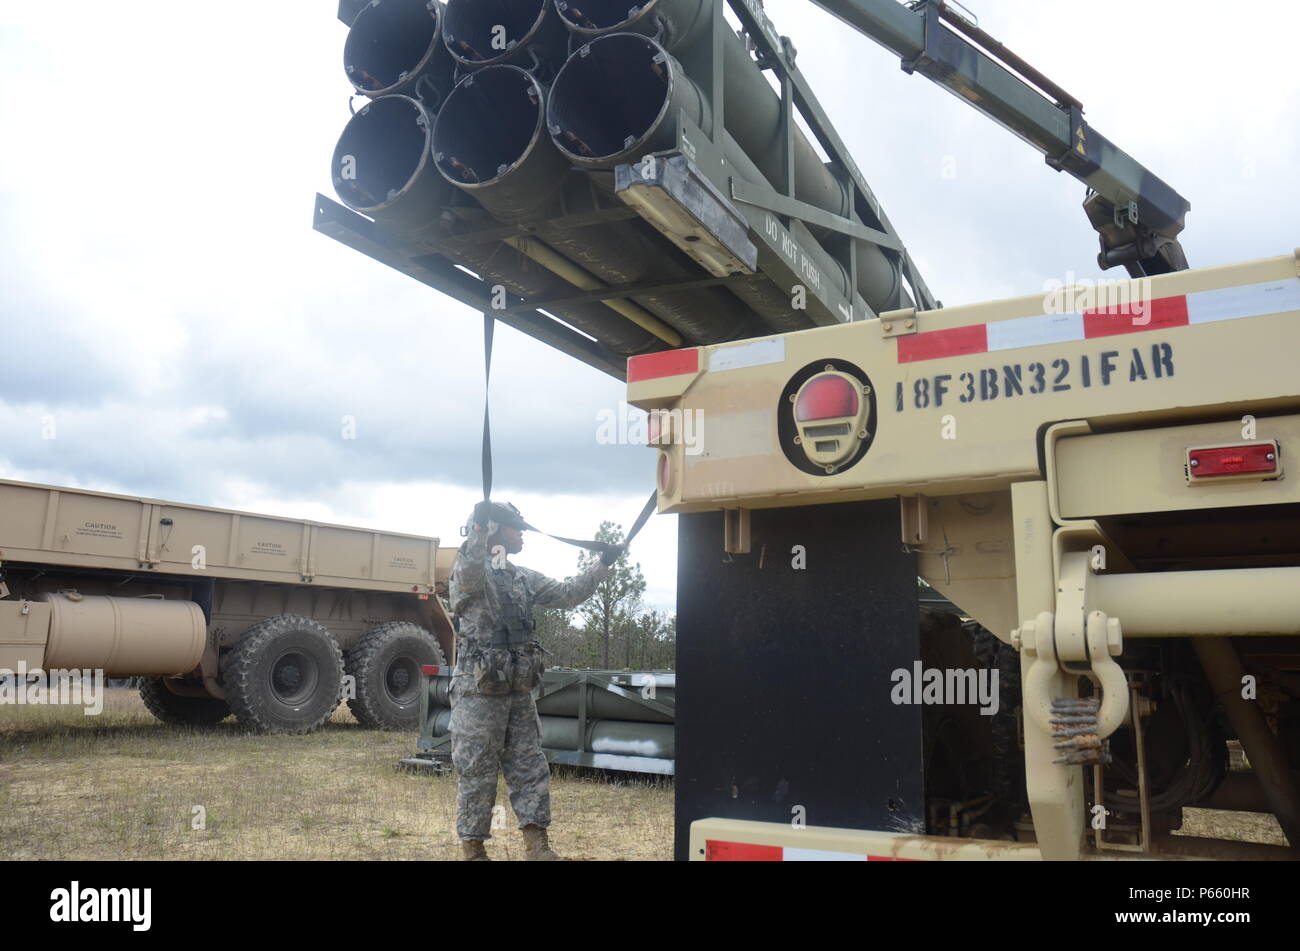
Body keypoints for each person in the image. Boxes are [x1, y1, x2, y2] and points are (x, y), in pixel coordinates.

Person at [448, 500, 621, 861]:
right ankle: (474, 851)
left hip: (517, 691)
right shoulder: (471, 575)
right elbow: (469, 570)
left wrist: (603, 563)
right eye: (515, 526)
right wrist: (478, 531)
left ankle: (537, 848)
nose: (523, 532)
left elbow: (570, 594)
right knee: (477, 770)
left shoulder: (521, 577)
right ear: (495, 530)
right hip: (479, 691)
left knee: (529, 766)